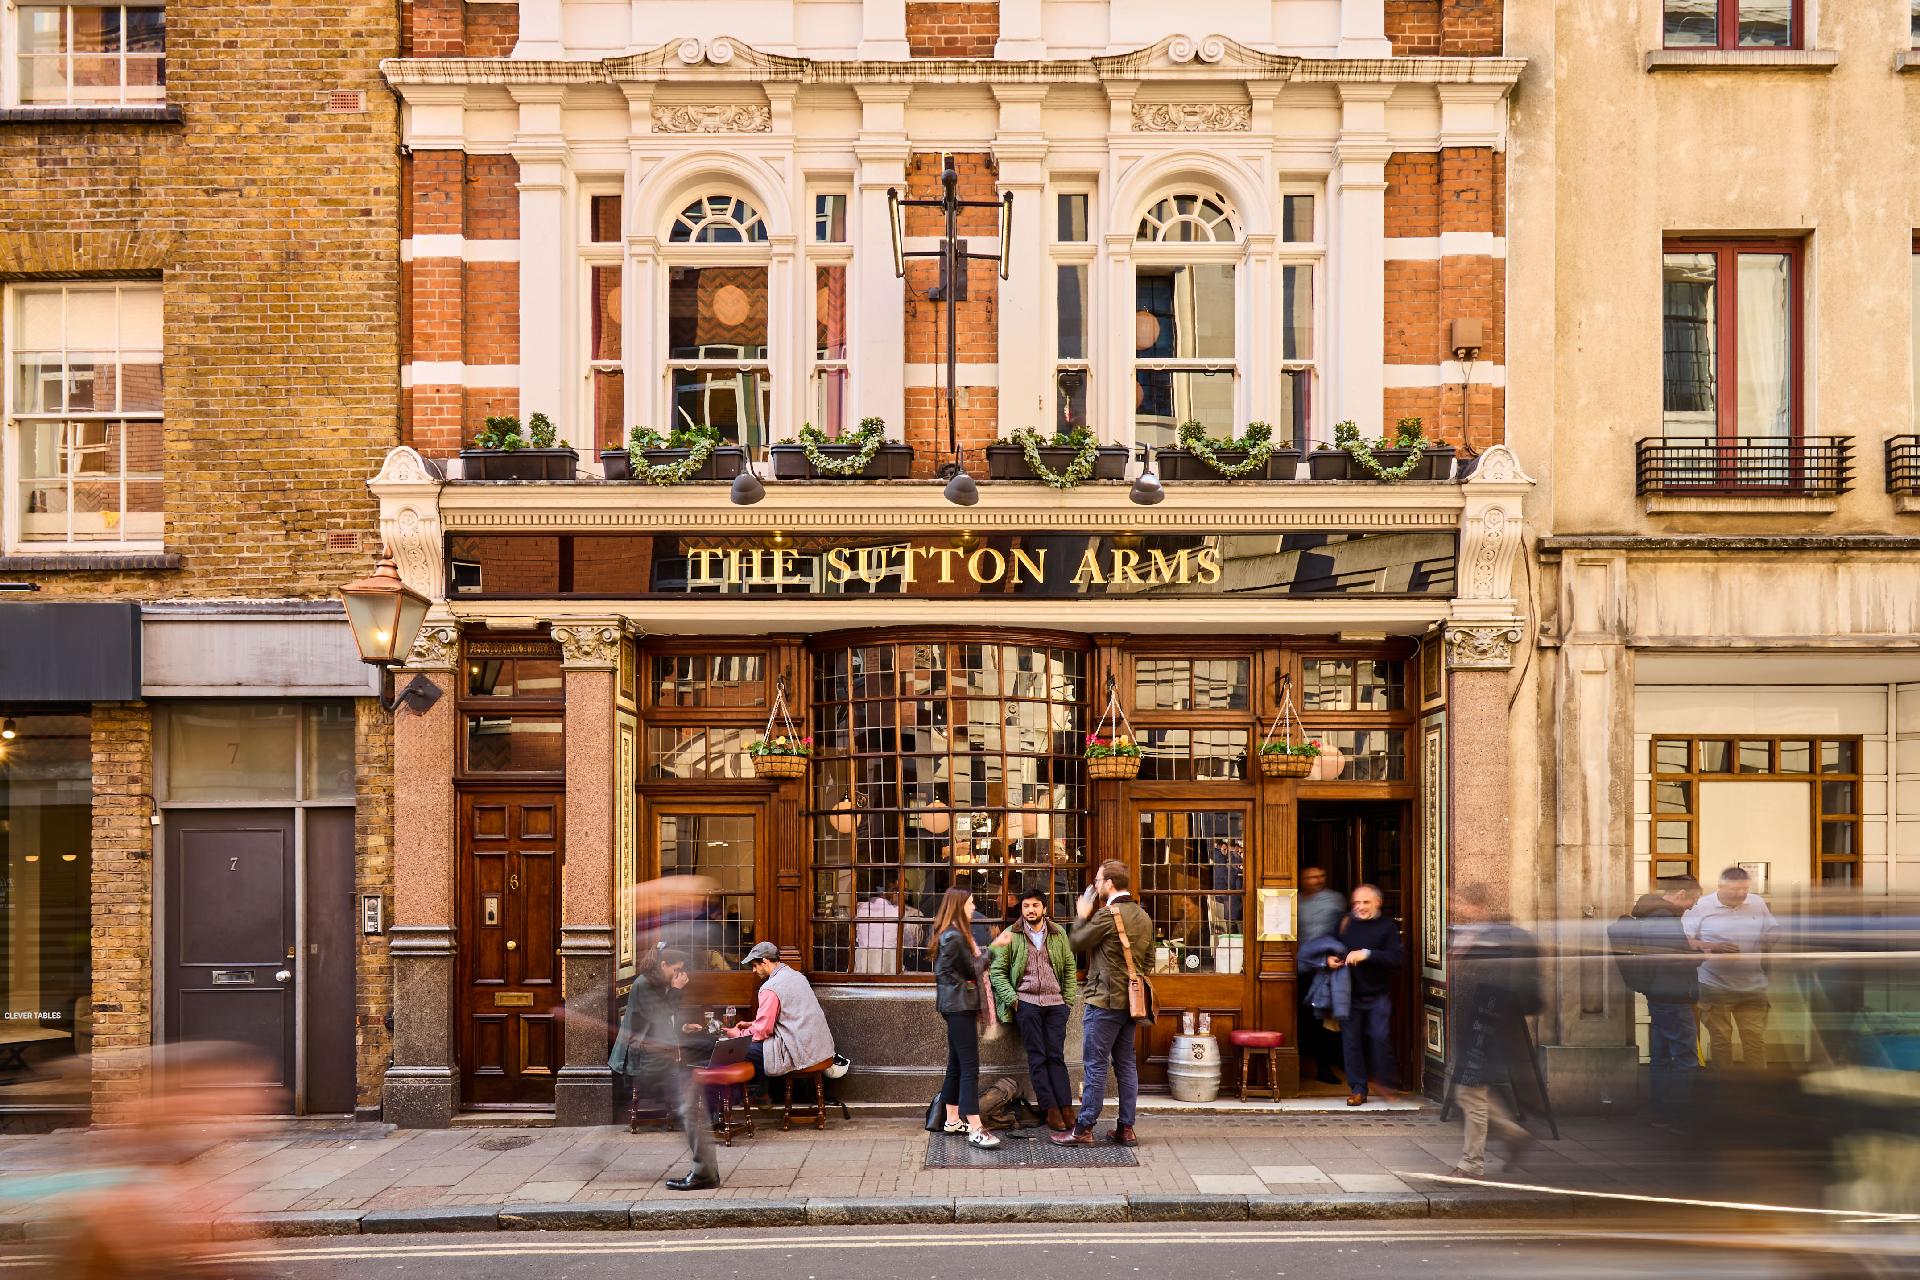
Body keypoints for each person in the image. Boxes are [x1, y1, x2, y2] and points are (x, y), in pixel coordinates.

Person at [1053, 859, 1153, 1148]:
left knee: (1095, 1065)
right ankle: (1126, 1128)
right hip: (1132, 1004)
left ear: (1109, 884)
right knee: (1126, 1065)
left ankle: (1084, 1128)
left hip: (1103, 1001)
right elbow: (1147, 964)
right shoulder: (1143, 916)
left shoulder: (1108, 915)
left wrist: (1082, 915)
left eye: (1097, 881)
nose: (1095, 886)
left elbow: (1075, 942)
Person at [1447, 885, 1540, 1179]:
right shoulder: (1474, 935)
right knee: (1469, 1094)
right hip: (1477, 1028)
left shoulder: (1498, 938)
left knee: (1470, 1094)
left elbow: (1497, 987)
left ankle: (1471, 1164)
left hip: (1487, 1029)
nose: (1452, 908)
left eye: (1456, 901)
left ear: (1475, 906)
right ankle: (1514, 1135)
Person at [611, 946, 719, 1190]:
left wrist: (682, 1028)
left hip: (660, 1054)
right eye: (676, 969)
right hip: (647, 1057)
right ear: (663, 965)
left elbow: (660, 1020)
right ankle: (705, 1171)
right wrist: (678, 991)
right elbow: (660, 1015)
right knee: (688, 1109)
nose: (679, 974)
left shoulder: (658, 984)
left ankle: (706, 1171)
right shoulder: (643, 984)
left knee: (689, 1109)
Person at [989, 885, 1081, 1132]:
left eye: (1035, 905)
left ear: (1044, 908)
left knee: (1056, 1057)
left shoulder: (1058, 933)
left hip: (1055, 1005)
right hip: (1026, 1004)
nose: (1030, 910)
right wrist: (1014, 1000)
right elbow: (996, 971)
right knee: (1038, 1058)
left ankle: (1066, 1107)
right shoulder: (1011, 933)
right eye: (1026, 906)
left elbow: (1070, 969)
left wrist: (1067, 1001)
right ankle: (1049, 1109)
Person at [1625, 875, 1703, 1129]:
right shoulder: (1664, 917)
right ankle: (1678, 1116)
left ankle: (1660, 1112)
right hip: (1674, 996)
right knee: (1685, 1057)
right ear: (1681, 893)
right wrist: (1701, 954)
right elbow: (1674, 958)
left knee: (1660, 1056)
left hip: (1659, 994)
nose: (1691, 906)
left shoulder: (1651, 914)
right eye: (1692, 900)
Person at [1682, 867, 1780, 1070]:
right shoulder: (1701, 905)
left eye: (1744, 889)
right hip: (1714, 985)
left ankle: (1757, 1091)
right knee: (1721, 1040)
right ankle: (1725, 1088)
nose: (1741, 894)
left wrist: (1768, 938)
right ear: (1720, 887)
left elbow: (1773, 929)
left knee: (1754, 1040)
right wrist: (1713, 947)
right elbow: (1686, 941)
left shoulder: (1757, 902)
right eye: (1735, 889)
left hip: (1753, 986)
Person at [931, 886, 1002, 1148]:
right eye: (970, 903)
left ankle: (952, 1119)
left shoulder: (949, 933)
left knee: (957, 1064)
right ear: (959, 905)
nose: (973, 907)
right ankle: (975, 1127)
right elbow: (973, 968)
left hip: (955, 1006)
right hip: (959, 1006)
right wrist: (995, 948)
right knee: (970, 1066)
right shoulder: (956, 937)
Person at [1329, 883, 1404, 1106]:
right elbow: (1333, 947)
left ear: (1378, 903)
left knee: (1379, 1038)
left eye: (1365, 902)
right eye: (1356, 903)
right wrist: (1330, 959)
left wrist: (1367, 955)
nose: (1360, 907)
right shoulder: (1345, 923)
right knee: (1351, 1043)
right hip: (1349, 994)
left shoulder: (1387, 927)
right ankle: (1358, 1089)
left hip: (1377, 995)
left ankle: (1385, 1083)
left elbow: (1397, 960)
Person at [726, 940, 837, 1086]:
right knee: (762, 1045)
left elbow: (763, 1031)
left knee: (740, 1049)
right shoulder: (797, 976)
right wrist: (752, 1024)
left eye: (755, 966)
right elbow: (791, 1015)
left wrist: (738, 1036)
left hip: (801, 1050)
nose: (754, 971)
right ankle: (762, 1094)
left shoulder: (770, 987)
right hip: (820, 1047)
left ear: (765, 961)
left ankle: (760, 1093)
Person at [1297, 866, 1348, 1084]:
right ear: (1301, 879)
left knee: (1326, 1018)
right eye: (1311, 877)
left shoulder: (1335, 900)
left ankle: (1325, 1066)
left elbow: (1346, 927)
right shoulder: (1295, 900)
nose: (1317, 880)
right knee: (1302, 1018)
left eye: (1320, 876)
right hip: (1300, 966)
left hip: (1327, 967)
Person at [854, 874, 926, 974]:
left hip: (903, 963)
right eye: (896, 889)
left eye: (905, 890)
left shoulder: (914, 914)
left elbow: (914, 945)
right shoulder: (865, 909)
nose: (900, 893)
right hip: (869, 965)